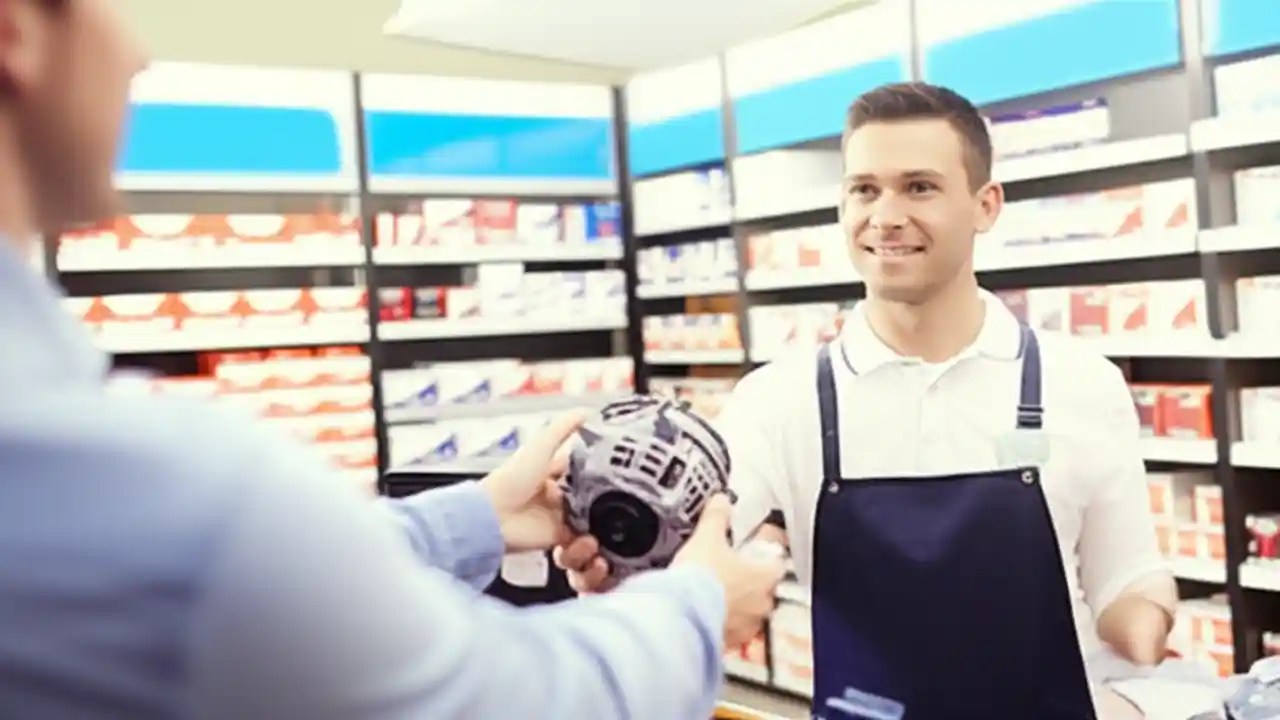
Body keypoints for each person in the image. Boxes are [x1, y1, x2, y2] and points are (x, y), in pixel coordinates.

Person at [0, 1, 787, 718]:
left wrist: (477, 515)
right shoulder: (163, 481)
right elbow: (512, 700)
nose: (138, 54)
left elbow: (272, 591)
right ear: (16, 30)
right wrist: (697, 603)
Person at [559, 82, 1181, 719]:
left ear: (986, 205)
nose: (885, 215)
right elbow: (694, 539)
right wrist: (622, 563)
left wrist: (1150, 626)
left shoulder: (1080, 383)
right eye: (864, 189)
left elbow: (1124, 576)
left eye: (919, 187)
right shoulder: (782, 399)